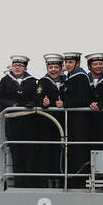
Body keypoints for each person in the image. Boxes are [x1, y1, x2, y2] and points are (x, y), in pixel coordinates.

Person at [0, 53, 40, 187]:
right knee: (16, 153)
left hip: (29, 123)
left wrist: (29, 104)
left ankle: (30, 183)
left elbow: (36, 98)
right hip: (13, 123)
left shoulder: (32, 81)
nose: (17, 67)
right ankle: (19, 183)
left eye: (20, 65)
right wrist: (12, 104)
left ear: (25, 68)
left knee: (30, 153)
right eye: (15, 65)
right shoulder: (5, 81)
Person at [32, 54, 67, 188]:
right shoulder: (43, 82)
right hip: (47, 124)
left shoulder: (66, 81)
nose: (53, 70)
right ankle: (45, 181)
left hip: (62, 123)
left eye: (56, 67)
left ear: (60, 68)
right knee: (46, 151)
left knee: (60, 151)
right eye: (51, 67)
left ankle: (59, 179)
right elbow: (38, 97)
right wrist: (44, 103)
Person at [60, 52, 91, 188]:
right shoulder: (70, 76)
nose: (67, 65)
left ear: (77, 64)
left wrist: (64, 104)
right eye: (66, 62)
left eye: (71, 62)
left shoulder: (81, 77)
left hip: (80, 120)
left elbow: (83, 99)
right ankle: (73, 179)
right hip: (72, 120)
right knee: (73, 149)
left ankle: (80, 181)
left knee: (80, 150)